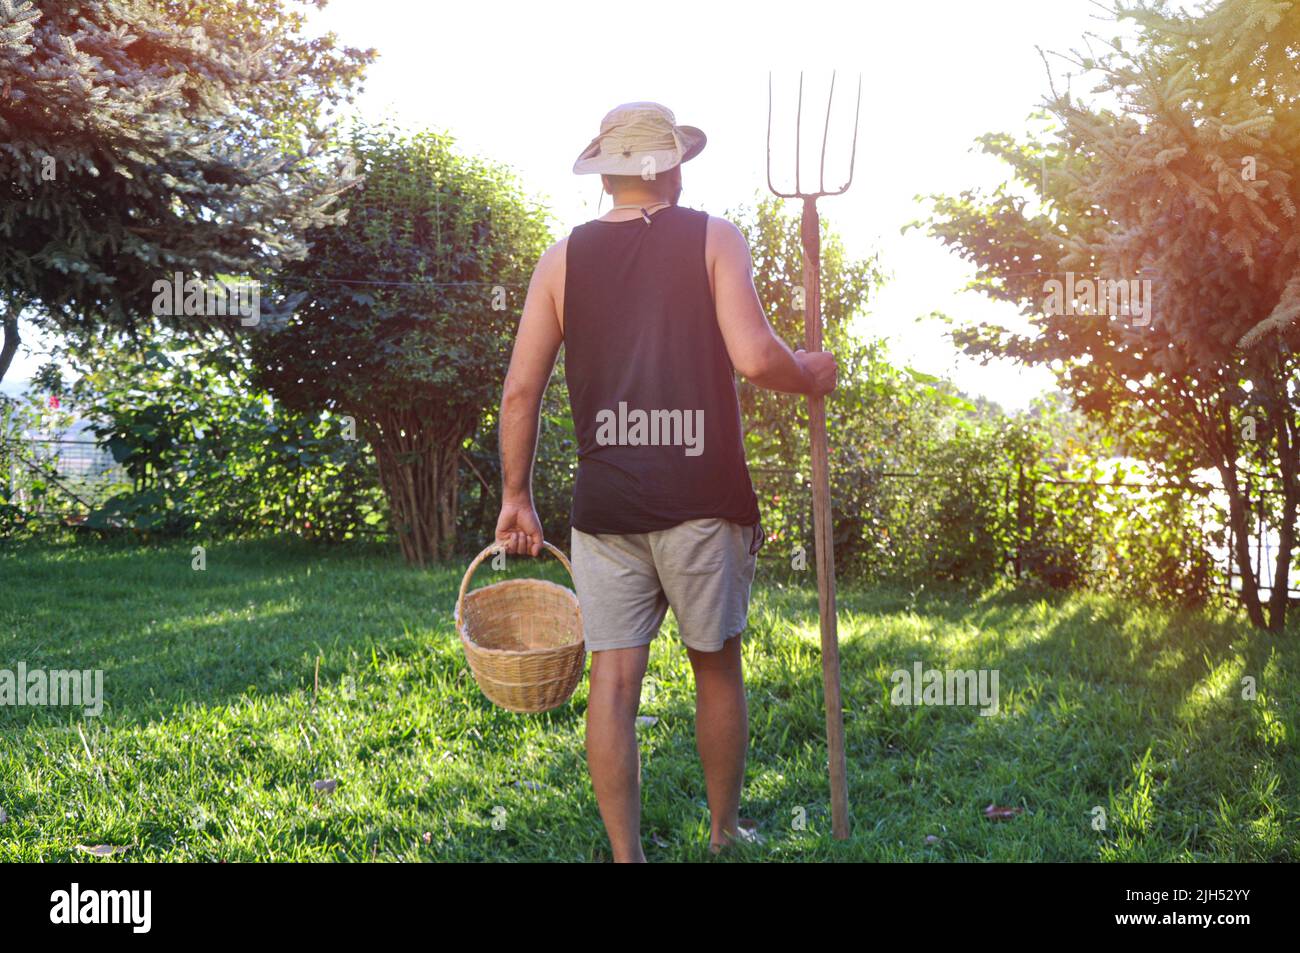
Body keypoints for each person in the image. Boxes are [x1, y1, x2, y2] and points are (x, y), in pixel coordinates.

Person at [495, 102, 837, 862]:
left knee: (613, 681)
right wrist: (808, 372)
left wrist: (516, 496)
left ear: (608, 174)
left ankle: (627, 856)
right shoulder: (715, 238)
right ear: (673, 169)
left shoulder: (561, 260)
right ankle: (722, 833)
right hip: (701, 500)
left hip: (606, 507)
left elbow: (520, 390)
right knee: (714, 662)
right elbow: (754, 357)